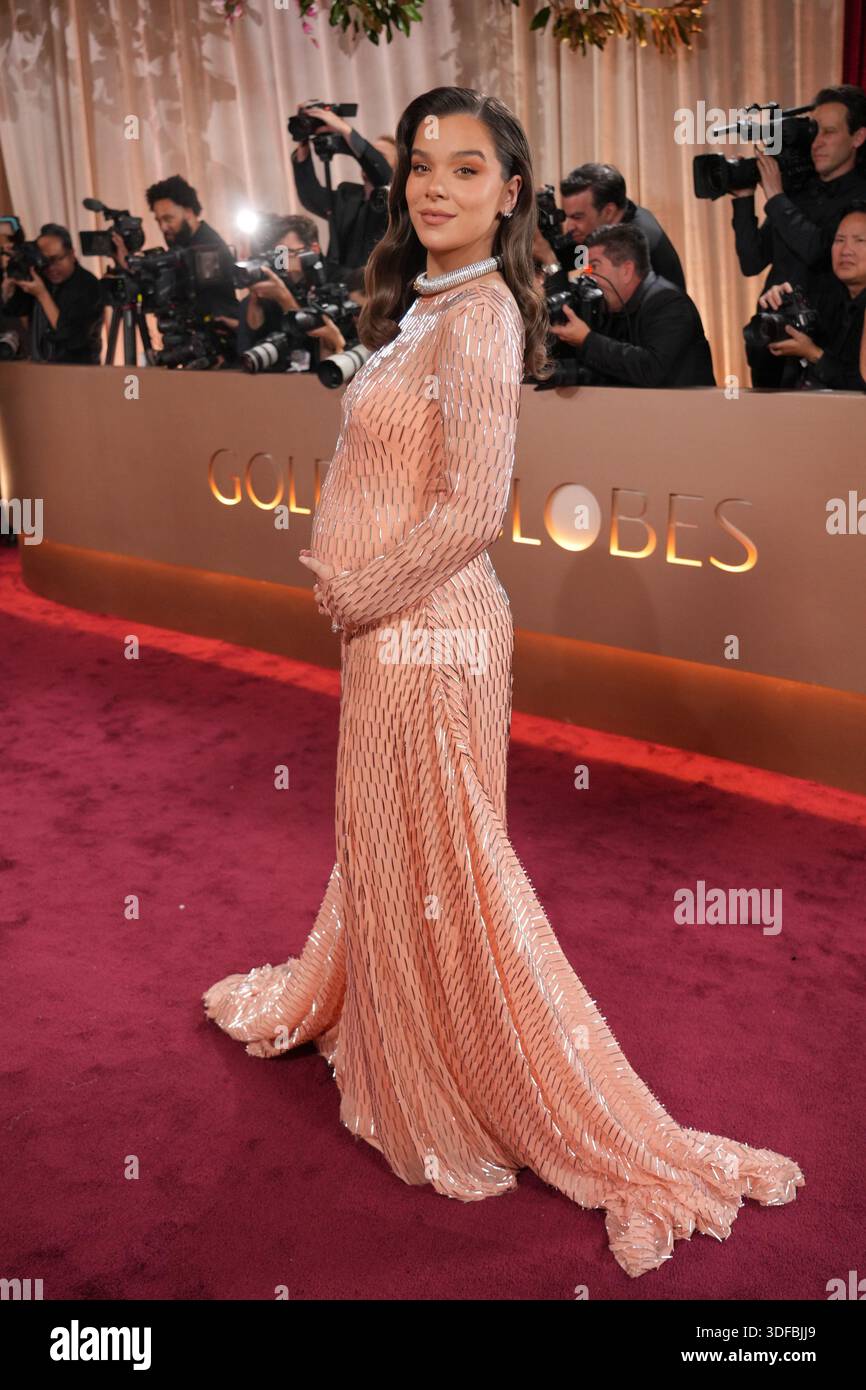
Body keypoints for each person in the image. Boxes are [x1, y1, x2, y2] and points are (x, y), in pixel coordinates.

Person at [202, 86, 804, 1280]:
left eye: (465, 170)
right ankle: (387, 1013)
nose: (433, 186)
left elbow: (472, 509)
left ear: (512, 193)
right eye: (421, 164)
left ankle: (454, 1068)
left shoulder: (479, 317)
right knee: (391, 847)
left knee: (447, 863)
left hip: (426, 635)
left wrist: (358, 593)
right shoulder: (426, 303)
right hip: (390, 630)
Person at [731, 84, 866, 385]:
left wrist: (777, 197)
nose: (817, 142)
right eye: (814, 131)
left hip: (826, 343)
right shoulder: (797, 190)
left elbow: (819, 251)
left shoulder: (860, 202)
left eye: (829, 132)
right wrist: (743, 199)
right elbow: (751, 261)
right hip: (774, 334)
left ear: (858, 137)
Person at [548, 223, 715, 387]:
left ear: (626, 270)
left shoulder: (670, 304)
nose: (587, 276)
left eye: (594, 266)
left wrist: (586, 340)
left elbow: (651, 369)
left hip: (689, 411)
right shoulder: (608, 305)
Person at [760, 200, 866, 391]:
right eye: (839, 240)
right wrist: (779, 310)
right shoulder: (825, 296)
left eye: (860, 241)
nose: (846, 251)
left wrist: (814, 354)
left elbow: (860, 383)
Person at [291, 103, 395, 272]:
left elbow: (380, 172)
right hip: (342, 288)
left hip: (378, 285)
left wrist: (343, 128)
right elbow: (310, 195)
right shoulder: (346, 195)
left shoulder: (398, 200)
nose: (364, 159)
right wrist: (303, 142)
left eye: (380, 155)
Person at [549, 161, 686, 290]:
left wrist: (549, 261)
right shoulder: (615, 217)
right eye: (567, 217)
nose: (569, 227)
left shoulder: (633, 245)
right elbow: (575, 256)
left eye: (577, 217)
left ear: (609, 211)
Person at [2, 222, 103, 363]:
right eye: (44, 261)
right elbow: (16, 309)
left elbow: (72, 339)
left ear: (72, 254)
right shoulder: (40, 275)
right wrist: (10, 287)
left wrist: (42, 295)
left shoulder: (88, 285)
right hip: (41, 367)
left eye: (56, 259)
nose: (51, 268)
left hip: (78, 371)